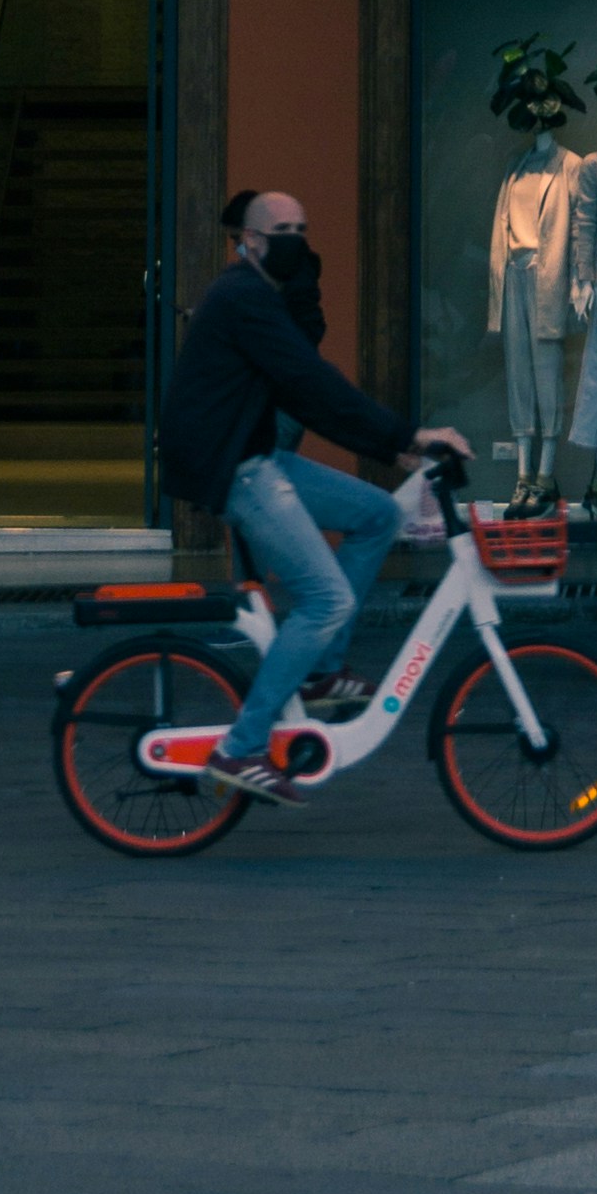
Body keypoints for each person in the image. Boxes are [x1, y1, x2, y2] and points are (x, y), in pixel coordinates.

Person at [160, 186, 469, 808]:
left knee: (377, 514)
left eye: (303, 227)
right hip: (234, 467)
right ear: (248, 240)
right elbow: (310, 382)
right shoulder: (241, 296)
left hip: (257, 453)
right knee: (324, 597)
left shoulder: (265, 295)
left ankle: (324, 670)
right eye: (282, 230)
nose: (295, 240)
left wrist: (390, 449)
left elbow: (303, 382)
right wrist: (407, 434)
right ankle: (241, 749)